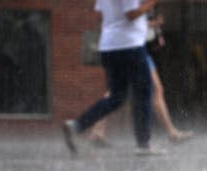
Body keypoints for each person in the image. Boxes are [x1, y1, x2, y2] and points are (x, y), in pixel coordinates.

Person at [62, 0, 162, 156]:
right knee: (143, 92)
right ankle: (143, 144)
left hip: (109, 46)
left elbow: (105, 16)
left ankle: (76, 126)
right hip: (130, 46)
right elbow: (130, 14)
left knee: (116, 97)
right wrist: (152, 3)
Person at [88, 14, 193, 147]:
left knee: (148, 90)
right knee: (123, 92)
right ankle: (169, 133)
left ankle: (97, 131)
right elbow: (127, 21)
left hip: (135, 47)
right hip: (131, 48)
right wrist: (153, 23)